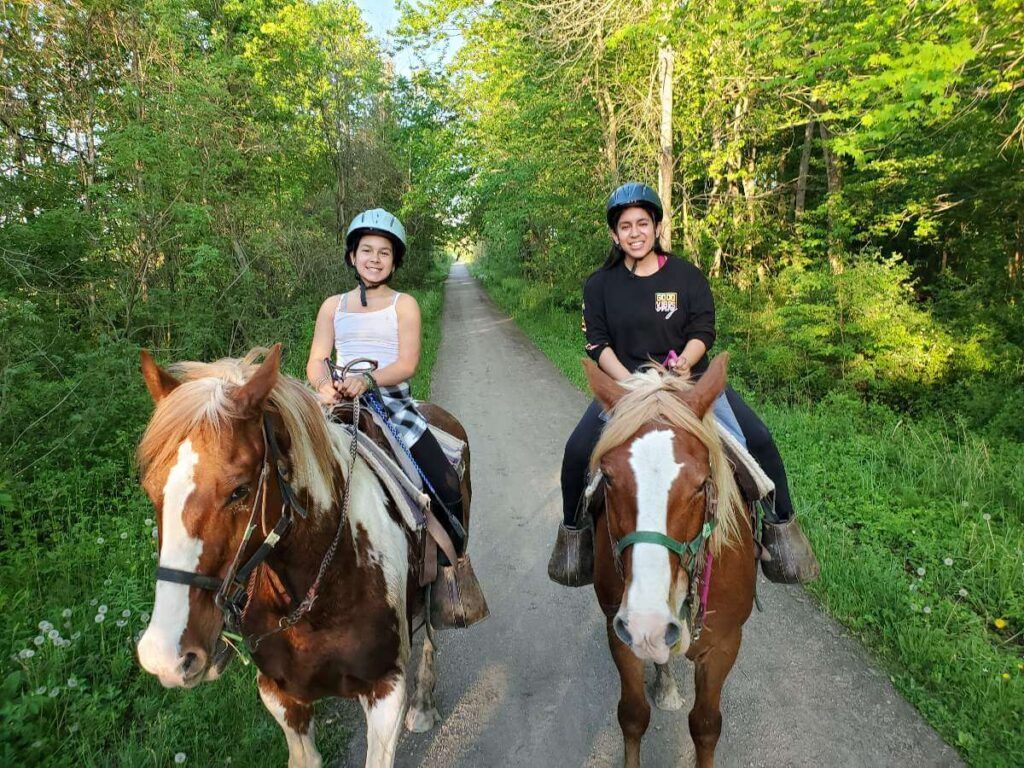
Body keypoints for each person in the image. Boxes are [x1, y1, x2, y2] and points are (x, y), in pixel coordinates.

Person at [548, 183, 819, 586]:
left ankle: (779, 533)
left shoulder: (686, 276)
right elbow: (598, 344)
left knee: (758, 440)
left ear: (657, 226)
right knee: (576, 452)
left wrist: (685, 363)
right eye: (626, 226)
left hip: (690, 383)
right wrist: (632, 384)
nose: (635, 233)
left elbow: (703, 330)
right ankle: (576, 541)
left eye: (643, 223)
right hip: (629, 388)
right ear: (614, 235)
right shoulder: (600, 285)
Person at [306, 208, 486, 625]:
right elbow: (317, 359)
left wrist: (368, 380)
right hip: (338, 407)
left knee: (447, 484)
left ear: (394, 260)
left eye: (383, 252)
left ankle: (451, 575)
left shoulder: (404, 305)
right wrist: (324, 385)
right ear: (352, 256)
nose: (374, 258)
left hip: (393, 407)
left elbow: (407, 363)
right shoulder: (332, 306)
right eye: (366, 250)